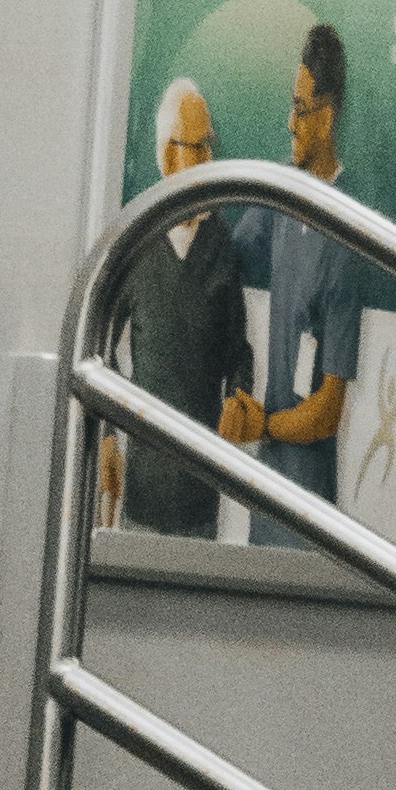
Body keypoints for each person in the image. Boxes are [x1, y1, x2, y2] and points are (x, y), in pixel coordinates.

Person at [222, 23, 363, 543]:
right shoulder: (280, 195)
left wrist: (263, 425)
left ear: (326, 118)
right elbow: (225, 262)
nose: (289, 123)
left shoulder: (348, 240)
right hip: (268, 482)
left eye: (301, 111)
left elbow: (327, 412)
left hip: (308, 497)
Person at [102, 79, 243, 538]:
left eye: (210, 146)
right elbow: (97, 342)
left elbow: (237, 352)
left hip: (201, 503)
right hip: (141, 497)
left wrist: (237, 401)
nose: (207, 160)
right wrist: (107, 437)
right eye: (195, 148)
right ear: (167, 158)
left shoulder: (222, 245)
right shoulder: (137, 237)